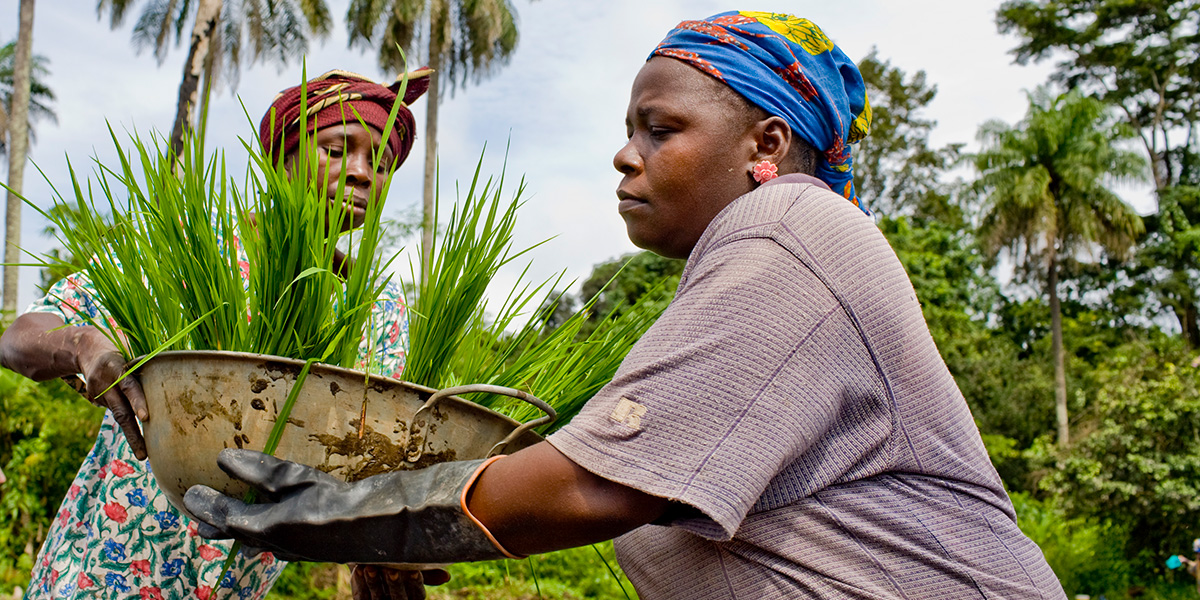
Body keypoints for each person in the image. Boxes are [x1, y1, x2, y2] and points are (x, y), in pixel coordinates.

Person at [183, 12, 1068, 600]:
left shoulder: (790, 229)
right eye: (627, 129)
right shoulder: (748, 266)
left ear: (767, 142)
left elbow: (594, 486)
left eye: (661, 128)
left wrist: (347, 514)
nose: (624, 155)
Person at [0, 68, 429, 600]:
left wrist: (378, 549)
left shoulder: (377, 308)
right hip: (98, 577)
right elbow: (19, 337)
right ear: (283, 160)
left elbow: (365, 463)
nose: (364, 174)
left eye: (382, 163)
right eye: (338, 150)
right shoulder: (191, 248)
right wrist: (80, 345)